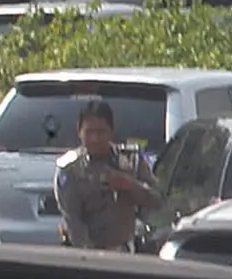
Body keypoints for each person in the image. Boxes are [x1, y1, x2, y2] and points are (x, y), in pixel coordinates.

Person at [54, 99, 161, 251]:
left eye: (101, 132)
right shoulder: (71, 169)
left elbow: (157, 200)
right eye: (89, 132)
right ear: (79, 132)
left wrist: (130, 185)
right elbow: (73, 220)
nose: (95, 139)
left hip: (124, 251)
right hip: (86, 253)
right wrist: (93, 255)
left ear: (111, 131)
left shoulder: (131, 160)